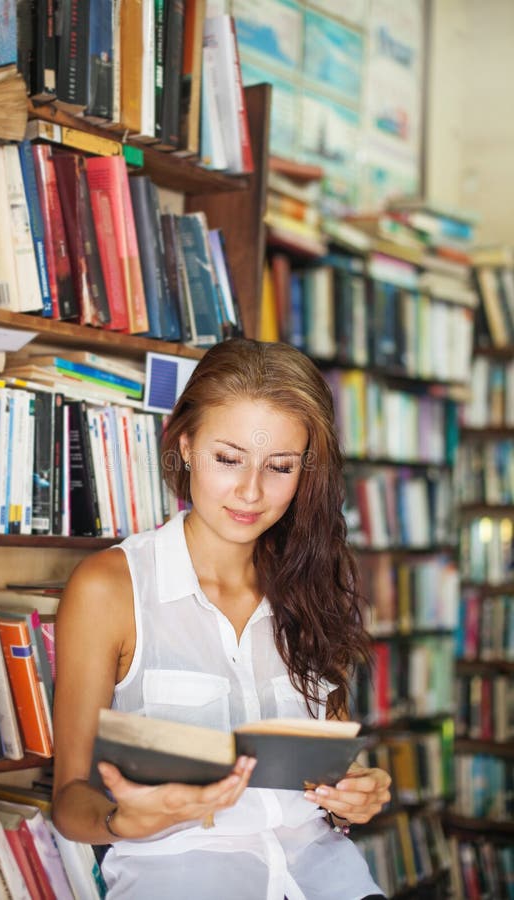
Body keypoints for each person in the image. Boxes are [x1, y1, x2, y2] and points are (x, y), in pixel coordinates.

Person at [52, 338, 391, 899]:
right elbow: (70, 800)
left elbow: (328, 781)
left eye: (280, 467)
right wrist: (125, 822)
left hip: (328, 880)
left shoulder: (314, 586)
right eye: (228, 458)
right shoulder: (110, 589)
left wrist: (356, 796)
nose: (250, 491)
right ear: (185, 446)